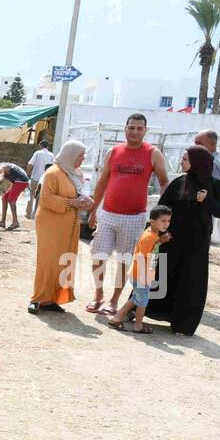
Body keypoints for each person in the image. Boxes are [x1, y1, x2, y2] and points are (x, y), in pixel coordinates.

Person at [86, 113, 171, 315]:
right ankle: (98, 295)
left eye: (139, 128)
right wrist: (93, 210)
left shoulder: (153, 153)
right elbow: (102, 181)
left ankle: (114, 300)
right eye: (131, 127)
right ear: (125, 128)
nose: (134, 131)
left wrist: (161, 215)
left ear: (145, 130)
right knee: (98, 255)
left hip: (134, 217)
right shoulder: (113, 152)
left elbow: (164, 182)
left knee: (124, 261)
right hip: (107, 213)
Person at [144, 145, 220, 335]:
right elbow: (162, 207)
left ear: (197, 162)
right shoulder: (180, 182)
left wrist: (207, 201)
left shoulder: (215, 185)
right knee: (163, 275)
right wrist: (155, 232)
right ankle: (141, 310)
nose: (181, 162)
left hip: (197, 244)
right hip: (172, 240)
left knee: (191, 281)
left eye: (185, 159)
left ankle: (183, 324)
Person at [29, 140, 91, 314]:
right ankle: (37, 298)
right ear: (70, 155)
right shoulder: (53, 173)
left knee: (64, 259)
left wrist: (85, 201)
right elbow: (46, 199)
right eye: (81, 155)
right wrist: (73, 202)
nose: (83, 158)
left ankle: (50, 299)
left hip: (68, 223)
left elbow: (80, 193)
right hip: (51, 222)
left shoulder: (75, 174)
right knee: (47, 261)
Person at [107, 205, 172, 334]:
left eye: (168, 221)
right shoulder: (150, 237)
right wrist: (146, 277)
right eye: (163, 221)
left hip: (141, 273)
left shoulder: (152, 234)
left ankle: (116, 318)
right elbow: (145, 256)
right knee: (143, 301)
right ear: (152, 221)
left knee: (137, 298)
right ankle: (138, 325)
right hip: (142, 274)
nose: (166, 224)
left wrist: (160, 241)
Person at [196, 128, 220, 246]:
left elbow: (207, 189)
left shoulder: (211, 162)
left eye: (200, 143)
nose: (196, 147)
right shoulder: (218, 160)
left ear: (212, 144)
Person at [0, 158, 30, 230]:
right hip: (18, 181)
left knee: (11, 200)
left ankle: (15, 222)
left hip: (21, 181)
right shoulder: (5, 166)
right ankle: (2, 222)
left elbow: (2, 179)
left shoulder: (1, 167)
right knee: (4, 198)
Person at [25, 137, 54, 219]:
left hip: (35, 177)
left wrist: (28, 174)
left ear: (41, 146)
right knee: (40, 197)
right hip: (44, 179)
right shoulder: (51, 155)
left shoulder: (37, 153)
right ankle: (37, 214)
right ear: (47, 146)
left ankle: (28, 213)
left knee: (31, 195)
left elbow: (30, 164)